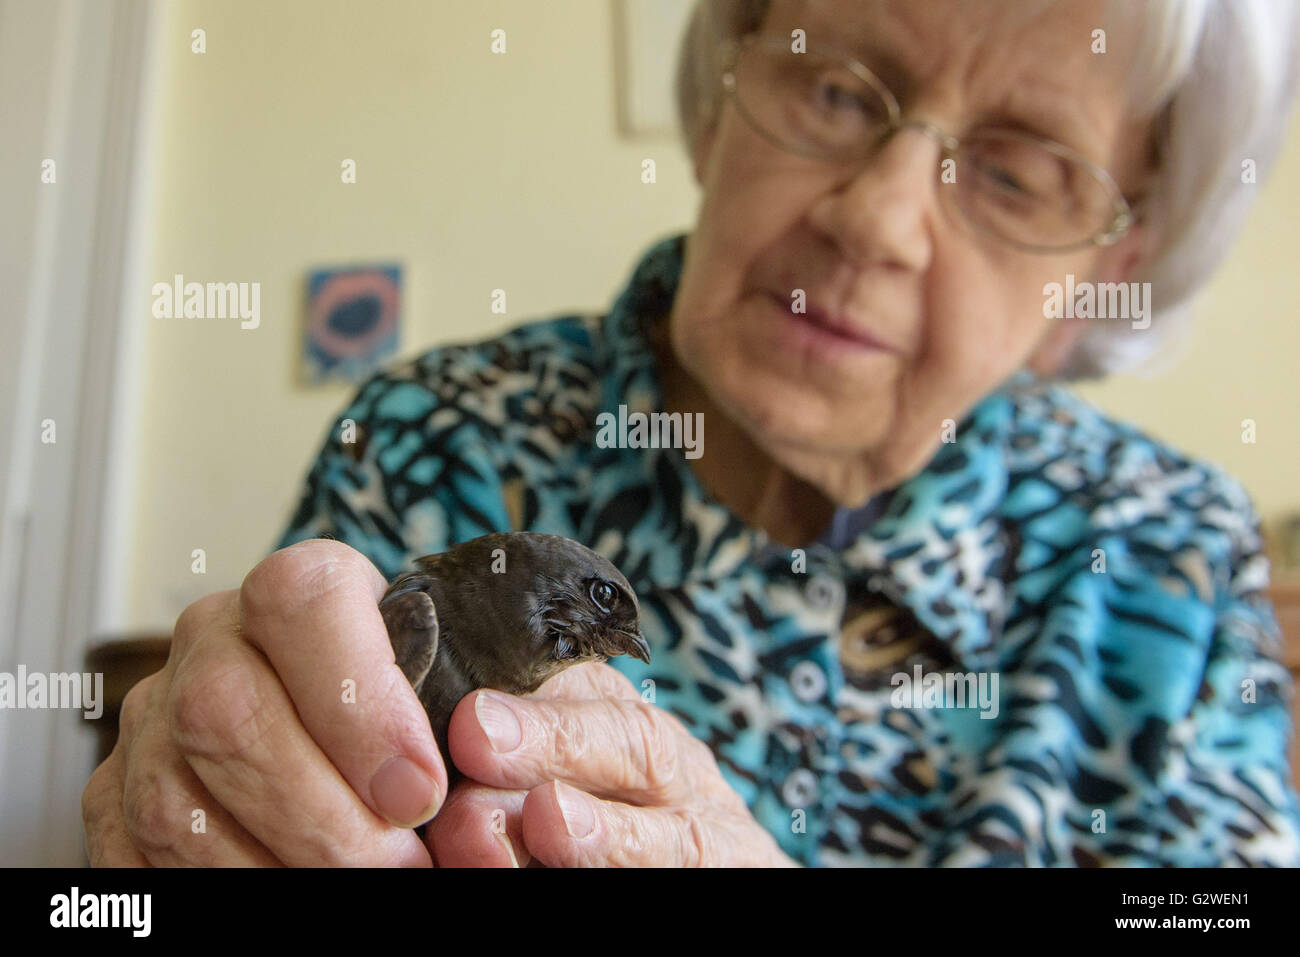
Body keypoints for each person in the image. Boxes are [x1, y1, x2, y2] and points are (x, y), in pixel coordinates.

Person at [84, 0, 1300, 866]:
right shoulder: (432, 436)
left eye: (1018, 172)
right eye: (835, 90)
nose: (876, 217)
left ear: (1107, 269)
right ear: (723, 101)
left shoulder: (1166, 554)